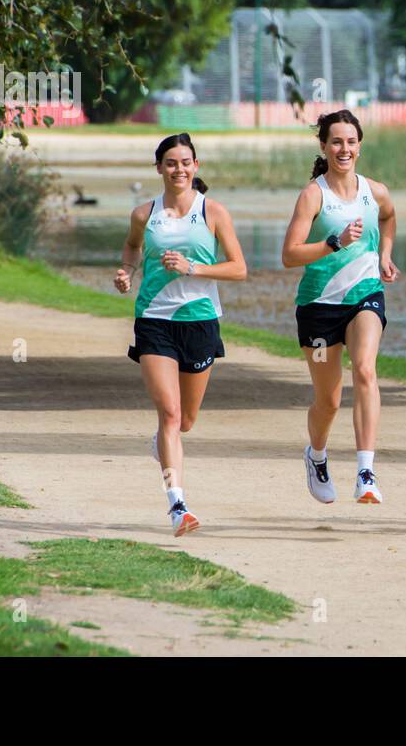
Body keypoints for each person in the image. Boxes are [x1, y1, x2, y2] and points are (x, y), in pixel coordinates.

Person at [115, 133, 247, 536]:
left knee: (185, 421)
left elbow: (239, 268)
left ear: (196, 166)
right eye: (171, 163)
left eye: (186, 162)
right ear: (159, 168)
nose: (179, 169)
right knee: (169, 414)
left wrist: (194, 268)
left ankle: (163, 444)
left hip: (201, 321)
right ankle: (178, 505)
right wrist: (127, 272)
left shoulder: (214, 213)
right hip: (154, 320)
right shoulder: (143, 214)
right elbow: (132, 249)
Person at [282, 109, 400, 505]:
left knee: (365, 369)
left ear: (359, 146)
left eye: (350, 141)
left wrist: (384, 254)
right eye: (336, 141)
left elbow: (388, 216)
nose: (344, 148)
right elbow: (290, 255)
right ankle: (316, 454)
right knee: (328, 400)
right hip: (319, 306)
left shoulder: (374, 190)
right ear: (324, 146)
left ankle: (366, 472)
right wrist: (333, 242)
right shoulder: (313, 195)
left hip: (365, 293)